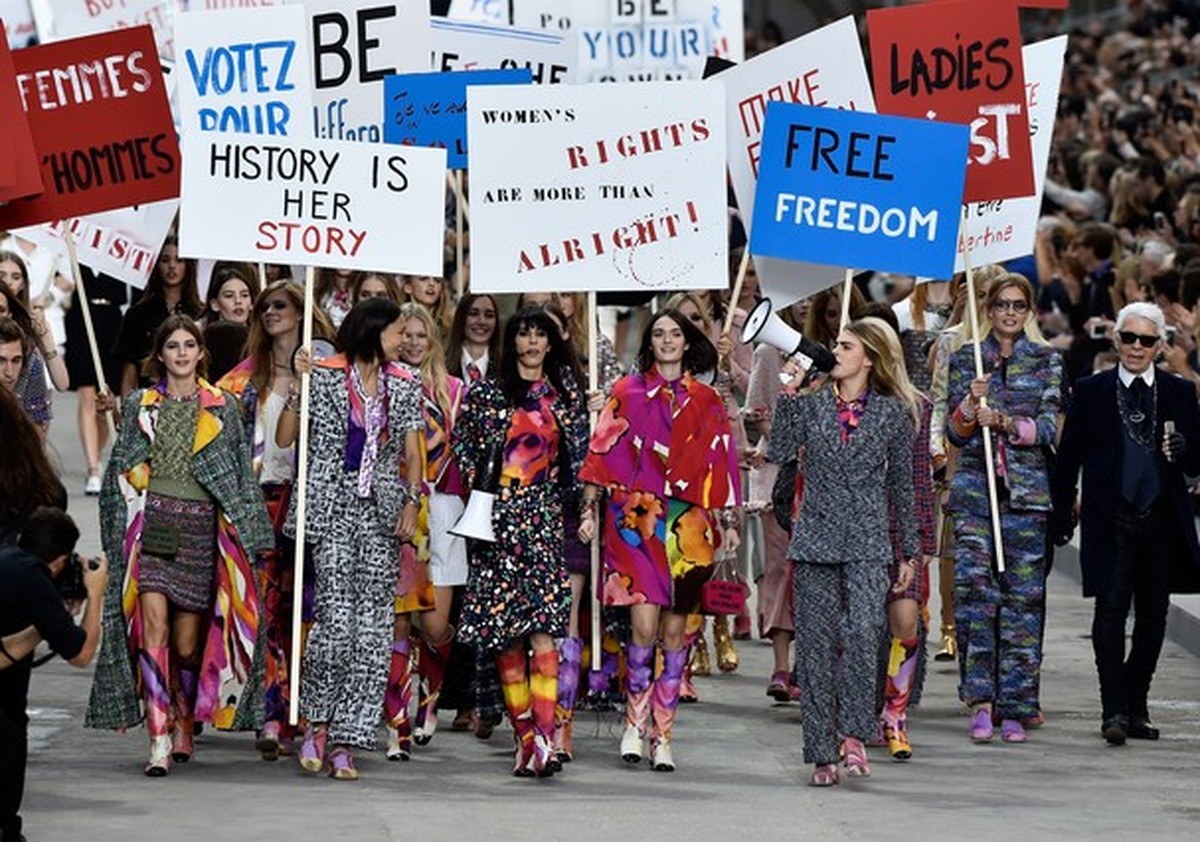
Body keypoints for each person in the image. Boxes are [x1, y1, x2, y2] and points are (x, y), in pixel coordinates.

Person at [87, 315, 273, 776]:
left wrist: (253, 536)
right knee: (153, 630)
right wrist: (122, 518)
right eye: (173, 345)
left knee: (188, 646)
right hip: (154, 530)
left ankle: (184, 715)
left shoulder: (223, 407)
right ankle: (158, 739)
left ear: (201, 353)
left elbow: (237, 476)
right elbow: (122, 468)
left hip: (200, 533)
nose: (183, 353)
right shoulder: (139, 404)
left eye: (190, 344)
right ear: (161, 354)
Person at [579, 309, 741, 772]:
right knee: (643, 626)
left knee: (676, 631)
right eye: (659, 334)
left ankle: (663, 733)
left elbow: (722, 459)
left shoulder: (707, 398)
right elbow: (601, 451)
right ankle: (634, 722)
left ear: (687, 342)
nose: (668, 340)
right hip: (636, 519)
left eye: (675, 333)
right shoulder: (625, 391)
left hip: (689, 522)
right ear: (649, 344)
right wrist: (590, 510)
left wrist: (727, 520)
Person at [768, 316, 919, 787]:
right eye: (836, 343)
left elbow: (902, 487)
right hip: (815, 539)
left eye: (846, 346)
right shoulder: (811, 405)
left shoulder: (894, 413)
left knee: (864, 634)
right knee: (813, 648)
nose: (836, 352)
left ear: (869, 357)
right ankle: (820, 751)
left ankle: (855, 733)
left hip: (869, 542)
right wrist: (789, 394)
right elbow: (778, 451)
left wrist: (909, 552)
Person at [1051, 301, 1200, 744]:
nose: (1137, 347)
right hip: (1109, 515)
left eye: (1147, 340)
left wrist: (1185, 446)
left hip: (1162, 517)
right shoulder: (1091, 390)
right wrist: (1061, 510)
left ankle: (1137, 704)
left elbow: (1196, 458)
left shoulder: (1178, 392)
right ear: (1116, 340)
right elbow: (1069, 456)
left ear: (1159, 345)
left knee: (1154, 616)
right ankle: (1112, 708)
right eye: (1129, 338)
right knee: (1111, 611)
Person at [291, 298, 423, 781]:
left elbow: (413, 447)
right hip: (333, 507)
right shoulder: (325, 374)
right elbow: (288, 437)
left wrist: (412, 500)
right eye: (397, 332)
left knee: (372, 631)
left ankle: (349, 738)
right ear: (374, 331)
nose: (404, 341)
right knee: (335, 624)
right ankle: (316, 724)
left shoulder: (405, 383)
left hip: (381, 514)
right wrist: (296, 383)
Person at [452, 307, 588, 777]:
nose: (531, 342)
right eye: (523, 334)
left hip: (544, 520)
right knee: (506, 634)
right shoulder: (487, 393)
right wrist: (482, 486)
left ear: (551, 343)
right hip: (497, 521)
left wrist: (580, 506)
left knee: (546, 629)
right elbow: (462, 444)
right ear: (512, 344)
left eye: (539, 335)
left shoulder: (564, 397)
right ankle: (525, 737)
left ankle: (545, 739)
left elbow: (582, 461)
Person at [945, 274, 1062, 745]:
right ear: (988, 310)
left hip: (1026, 496)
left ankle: (1016, 703)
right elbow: (954, 432)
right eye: (1001, 305)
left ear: (1029, 311)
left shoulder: (1047, 360)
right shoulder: (965, 359)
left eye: (1018, 305)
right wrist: (973, 407)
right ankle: (980, 700)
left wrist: (1009, 422)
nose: (1010, 313)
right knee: (976, 597)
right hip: (976, 494)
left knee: (1022, 604)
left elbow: (1050, 428)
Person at [218, 280, 332, 760]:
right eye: (264, 307)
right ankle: (269, 711)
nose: (268, 313)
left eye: (280, 306)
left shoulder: (329, 369)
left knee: (304, 613)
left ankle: (304, 715)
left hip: (308, 503)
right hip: (258, 503)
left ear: (302, 311)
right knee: (263, 611)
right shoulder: (244, 380)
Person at [382, 302, 467, 760]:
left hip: (446, 512)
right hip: (398, 510)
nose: (413, 342)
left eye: (421, 334)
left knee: (434, 626)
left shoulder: (454, 390)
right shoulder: (382, 386)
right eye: (405, 334)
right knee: (398, 618)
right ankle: (397, 721)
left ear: (433, 340)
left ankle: (430, 692)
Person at [1, 508, 107, 842]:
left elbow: (18, 643)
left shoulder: (9, 560)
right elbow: (81, 653)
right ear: (59, 561)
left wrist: (54, 616)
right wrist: (96, 595)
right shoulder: (34, 578)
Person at [113, 238, 203, 395]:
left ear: (188, 265)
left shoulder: (200, 312)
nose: (172, 266)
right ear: (156, 265)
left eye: (179, 260)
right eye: (165, 260)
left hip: (193, 399)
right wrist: (127, 411)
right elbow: (130, 370)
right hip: (148, 399)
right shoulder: (137, 314)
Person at [201, 264, 259, 382]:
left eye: (244, 295)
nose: (238, 301)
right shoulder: (202, 342)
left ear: (252, 303)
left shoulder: (263, 341)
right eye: (229, 296)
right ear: (215, 304)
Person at [446, 293, 500, 383]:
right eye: (473, 314)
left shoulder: (507, 368)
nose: (482, 321)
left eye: (489, 315)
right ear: (461, 318)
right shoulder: (441, 366)